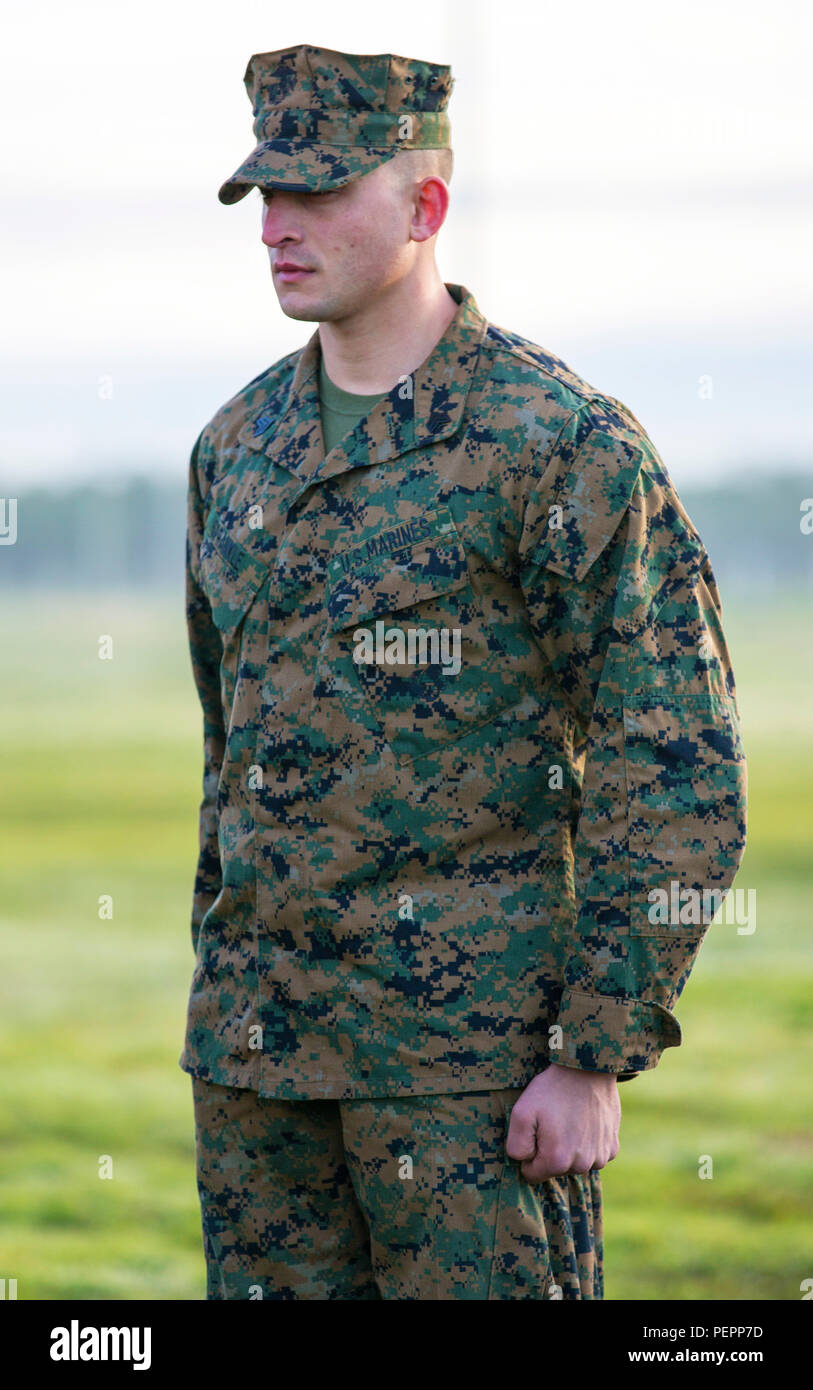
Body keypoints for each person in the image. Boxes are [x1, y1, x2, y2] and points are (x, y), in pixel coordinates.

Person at [180, 43, 747, 1300]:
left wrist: (596, 1048)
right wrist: (220, 998)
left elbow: (675, 760)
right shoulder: (237, 450)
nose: (278, 225)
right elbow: (234, 753)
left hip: (468, 1083)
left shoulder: (556, 444)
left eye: (318, 192)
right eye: (263, 196)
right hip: (260, 1070)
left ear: (426, 207)